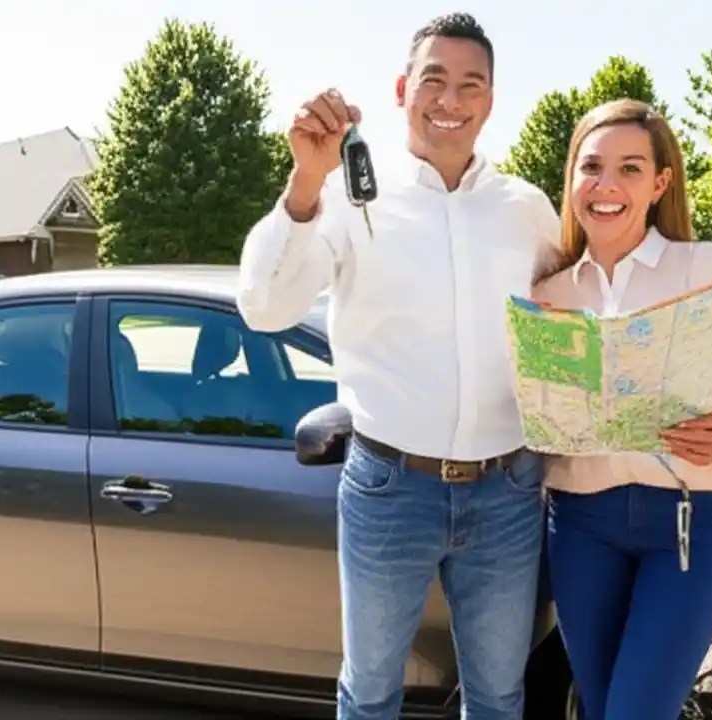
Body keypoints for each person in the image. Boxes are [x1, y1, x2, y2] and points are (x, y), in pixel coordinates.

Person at [236, 12, 562, 720]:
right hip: (390, 488)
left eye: (469, 84)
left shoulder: (526, 210)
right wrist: (303, 180)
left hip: (508, 490)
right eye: (433, 80)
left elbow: (579, 317)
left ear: (491, 100)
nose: (451, 100)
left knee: (501, 696)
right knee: (371, 692)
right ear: (400, 89)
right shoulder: (350, 199)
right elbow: (264, 306)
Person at [529, 98, 712, 720]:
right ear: (572, 181)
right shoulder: (548, 294)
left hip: (690, 527)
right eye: (592, 167)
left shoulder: (711, 271)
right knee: (601, 705)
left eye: (630, 168)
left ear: (660, 182)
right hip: (580, 525)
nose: (606, 185)